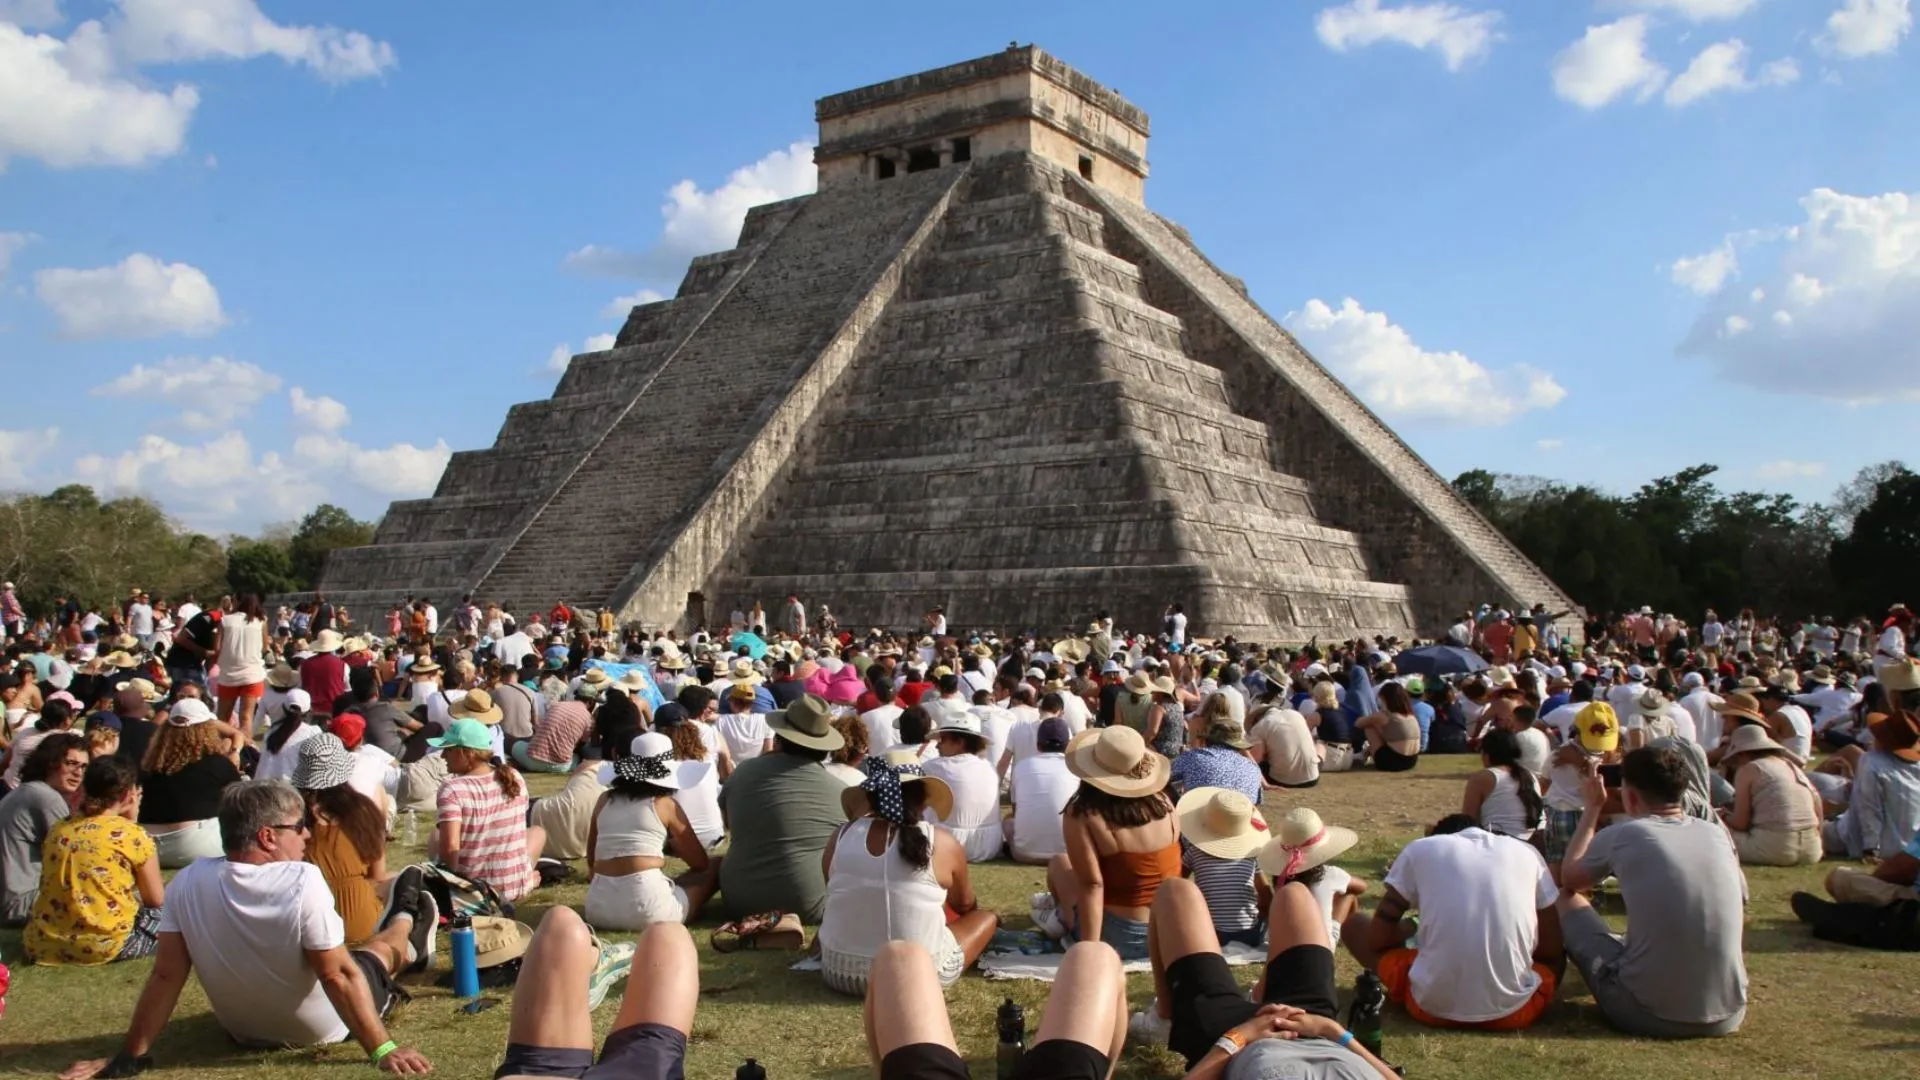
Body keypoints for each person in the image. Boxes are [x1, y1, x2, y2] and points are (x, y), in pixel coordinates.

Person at [58, 781, 434, 1079]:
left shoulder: (187, 882)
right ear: (268, 836)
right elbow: (336, 974)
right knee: (378, 952)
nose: (307, 836)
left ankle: (403, 913)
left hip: (244, 1032)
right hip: (325, 1028)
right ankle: (407, 911)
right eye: (299, 827)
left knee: (357, 954)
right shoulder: (302, 879)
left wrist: (130, 1056)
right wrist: (383, 1049)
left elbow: (166, 975)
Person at [1557, 745, 1748, 1038]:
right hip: (1731, 1012)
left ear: (1630, 796)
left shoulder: (1627, 834)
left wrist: (1592, 809)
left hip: (1646, 1014)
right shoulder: (1715, 832)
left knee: (1564, 900)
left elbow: (1571, 880)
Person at [1129, 876, 1397, 1078]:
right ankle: (1261, 996)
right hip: (1313, 1027)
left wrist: (1238, 1038)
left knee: (1175, 892)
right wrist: (1332, 1030)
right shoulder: (1327, 1030)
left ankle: (1165, 1018)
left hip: (1229, 1044)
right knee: (1295, 894)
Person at [1340, 814, 1562, 1031]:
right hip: (1517, 1012)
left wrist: (1413, 926)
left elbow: (1377, 938)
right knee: (1553, 962)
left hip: (1428, 1009)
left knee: (1354, 925)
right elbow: (1551, 950)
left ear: (1438, 837)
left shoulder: (1420, 850)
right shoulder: (1526, 853)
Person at [817, 750, 998, 996]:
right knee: (986, 918)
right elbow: (966, 905)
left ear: (870, 797)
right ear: (923, 799)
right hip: (917, 976)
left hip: (839, 971)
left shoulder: (840, 836)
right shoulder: (941, 842)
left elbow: (837, 891)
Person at [1035, 726, 1179, 962]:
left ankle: (1061, 916)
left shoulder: (1083, 814)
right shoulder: (1164, 802)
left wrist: (1090, 951)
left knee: (1060, 865)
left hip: (1119, 936)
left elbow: (1092, 885)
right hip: (1166, 929)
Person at [716, 694, 846, 922]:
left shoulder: (743, 772)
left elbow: (728, 823)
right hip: (805, 902)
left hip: (739, 900)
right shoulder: (841, 791)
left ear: (779, 738)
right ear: (824, 748)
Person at [24, 756, 165, 965]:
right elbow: (156, 900)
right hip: (104, 945)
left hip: (44, 943)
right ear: (128, 794)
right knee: (174, 910)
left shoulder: (59, 828)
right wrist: (132, 822)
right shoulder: (130, 834)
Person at [584, 732, 715, 932]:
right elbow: (700, 863)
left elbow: (592, 859)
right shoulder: (664, 805)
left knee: (670, 882)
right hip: (649, 909)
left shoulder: (604, 800)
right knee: (715, 867)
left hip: (597, 907)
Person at [293, 734, 394, 945]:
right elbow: (377, 875)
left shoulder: (290, 818)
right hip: (362, 923)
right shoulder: (365, 810)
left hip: (309, 928)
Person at [431, 716, 544, 903]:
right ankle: (522, 878)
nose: (442, 756)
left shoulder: (452, 789)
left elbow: (451, 847)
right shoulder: (514, 776)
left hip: (474, 893)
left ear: (466, 753)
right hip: (513, 887)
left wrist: (447, 892)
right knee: (537, 833)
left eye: (447, 750)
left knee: (436, 836)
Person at [137, 698, 243, 867]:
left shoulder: (149, 764)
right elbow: (240, 802)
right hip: (195, 846)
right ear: (207, 728)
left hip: (148, 846)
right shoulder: (216, 763)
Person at [0, 732, 86, 923]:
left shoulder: (26, 791)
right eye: (71, 763)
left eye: (83, 767)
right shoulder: (45, 797)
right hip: (20, 903)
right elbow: (79, 856)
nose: (79, 773)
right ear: (50, 762)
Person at [1173, 788, 1270, 949]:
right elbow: (1266, 895)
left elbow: (1177, 884)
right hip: (1249, 935)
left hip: (1209, 933)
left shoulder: (1194, 853)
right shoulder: (1250, 855)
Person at [1718, 724, 1823, 866]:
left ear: (1742, 753)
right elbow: (1818, 804)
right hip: (1812, 850)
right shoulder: (1790, 765)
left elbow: (1740, 823)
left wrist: (1722, 816)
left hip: (1774, 847)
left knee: (1713, 833)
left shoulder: (1749, 768)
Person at [917, 704, 1004, 862]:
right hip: (989, 845)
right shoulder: (988, 766)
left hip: (947, 844)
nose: (937, 745)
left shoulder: (933, 767)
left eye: (943, 740)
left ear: (960, 742)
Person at [1005, 716, 1077, 864]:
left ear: (1038, 745)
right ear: (1068, 744)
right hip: (1070, 853)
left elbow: (1016, 810)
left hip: (1024, 853)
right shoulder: (1076, 769)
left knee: (1007, 821)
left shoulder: (1022, 766)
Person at [1460, 728, 1544, 841]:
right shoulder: (1529, 775)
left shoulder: (1484, 777)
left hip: (1500, 842)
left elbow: (1468, 821)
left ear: (1487, 754)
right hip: (1535, 841)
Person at [1169, 708, 1263, 802]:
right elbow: (1256, 801)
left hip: (1199, 813)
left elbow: (1164, 777)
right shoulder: (1253, 768)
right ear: (1239, 746)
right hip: (1240, 815)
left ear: (1206, 740)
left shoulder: (1192, 757)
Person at [212, 594, 268, 735]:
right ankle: (244, 750)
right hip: (252, 674)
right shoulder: (260, 622)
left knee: (223, 717)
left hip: (228, 674)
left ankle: (220, 749)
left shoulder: (225, 620)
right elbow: (265, 648)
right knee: (246, 717)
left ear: (236, 602)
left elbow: (217, 648)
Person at [1247, 696, 1319, 789]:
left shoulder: (1261, 725)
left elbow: (1256, 759)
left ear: (1256, 719)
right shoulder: (1296, 714)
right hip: (1313, 777)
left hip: (1283, 780)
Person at [1354, 681, 1421, 772]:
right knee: (1381, 727)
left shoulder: (1384, 716)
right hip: (1412, 760)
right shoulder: (1411, 716)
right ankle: (1366, 752)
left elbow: (1358, 723)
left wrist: (1371, 717)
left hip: (1392, 761)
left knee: (1369, 727)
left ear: (1385, 699)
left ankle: (1363, 753)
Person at [513, 698, 591, 775]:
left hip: (532, 762)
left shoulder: (558, 705)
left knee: (514, 743)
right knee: (578, 757)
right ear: (591, 702)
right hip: (560, 767)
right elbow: (582, 744)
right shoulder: (587, 717)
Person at [256, 688, 319, 782]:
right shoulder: (313, 733)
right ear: (308, 711)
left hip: (262, 787)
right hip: (290, 790)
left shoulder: (271, 731)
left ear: (284, 708)